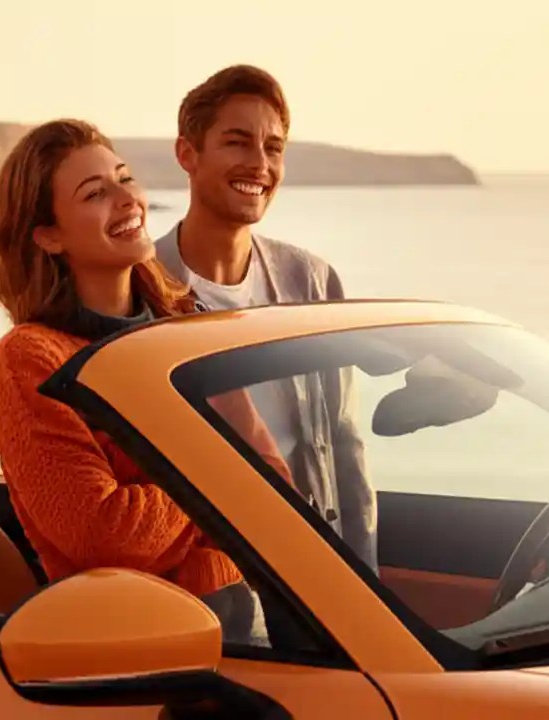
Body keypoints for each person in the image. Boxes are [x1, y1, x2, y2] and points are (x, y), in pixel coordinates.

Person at [0, 118, 292, 644]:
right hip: (135, 646)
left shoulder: (185, 324)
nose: (127, 200)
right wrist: (221, 484)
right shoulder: (30, 360)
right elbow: (111, 538)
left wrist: (198, 492)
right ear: (49, 236)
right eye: (96, 193)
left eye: (125, 178)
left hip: (248, 615)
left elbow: (272, 479)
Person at [154, 65, 378, 572]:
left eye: (273, 148)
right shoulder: (141, 291)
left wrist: (364, 583)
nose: (259, 164)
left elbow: (346, 448)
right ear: (187, 154)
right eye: (237, 143)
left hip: (305, 569)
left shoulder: (312, 282)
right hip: (202, 576)